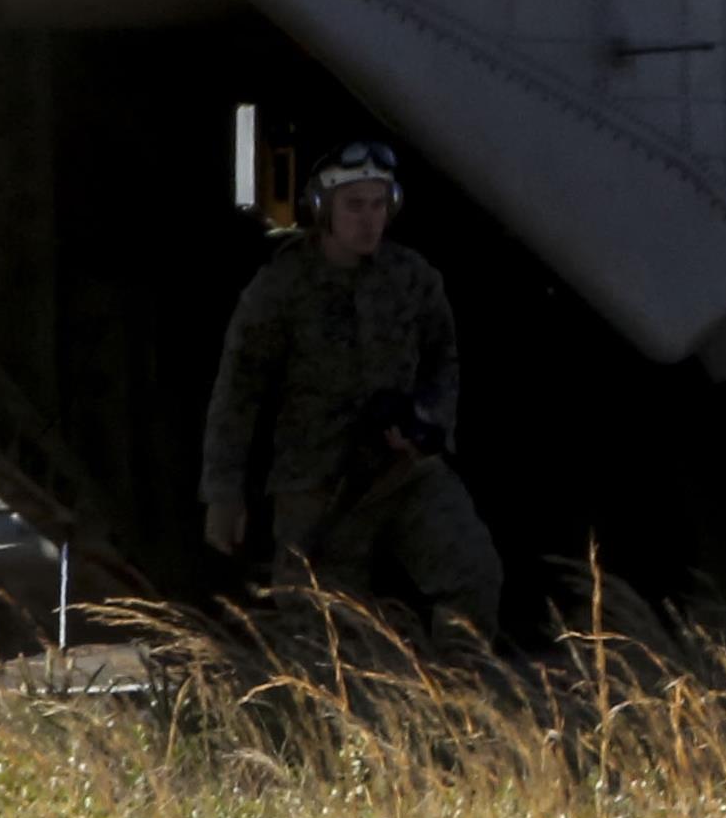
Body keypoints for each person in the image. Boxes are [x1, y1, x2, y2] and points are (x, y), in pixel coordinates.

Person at [199, 140, 505, 651]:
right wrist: (223, 492)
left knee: (473, 572)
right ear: (324, 210)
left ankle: (458, 701)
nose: (369, 219)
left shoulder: (413, 279)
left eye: (379, 205)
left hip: (403, 472)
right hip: (317, 485)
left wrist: (426, 424)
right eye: (354, 206)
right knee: (326, 630)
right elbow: (238, 391)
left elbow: (442, 360)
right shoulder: (280, 288)